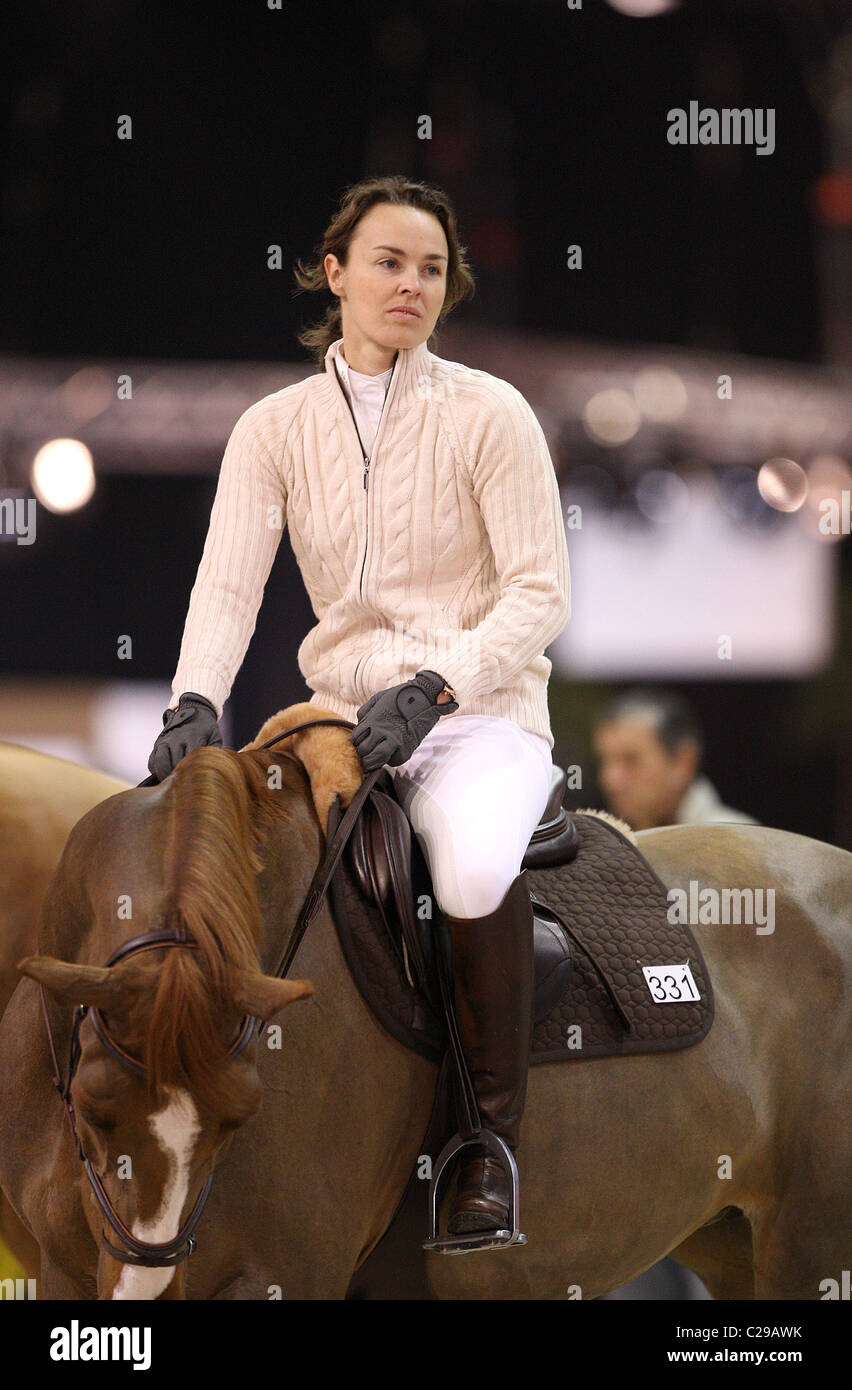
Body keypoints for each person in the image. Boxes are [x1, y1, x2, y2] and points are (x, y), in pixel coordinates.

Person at [147, 175, 571, 1241]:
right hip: (337, 722)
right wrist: (194, 697)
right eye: (389, 262)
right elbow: (228, 584)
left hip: (478, 719)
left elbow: (541, 590)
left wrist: (438, 689)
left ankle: (488, 1143)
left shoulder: (492, 411)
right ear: (335, 274)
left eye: (432, 269)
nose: (412, 285)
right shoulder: (272, 427)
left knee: (471, 864)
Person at [592, 688, 759, 832]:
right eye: (604, 761)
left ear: (683, 763)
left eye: (631, 760)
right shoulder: (602, 846)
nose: (610, 780)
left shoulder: (735, 845)